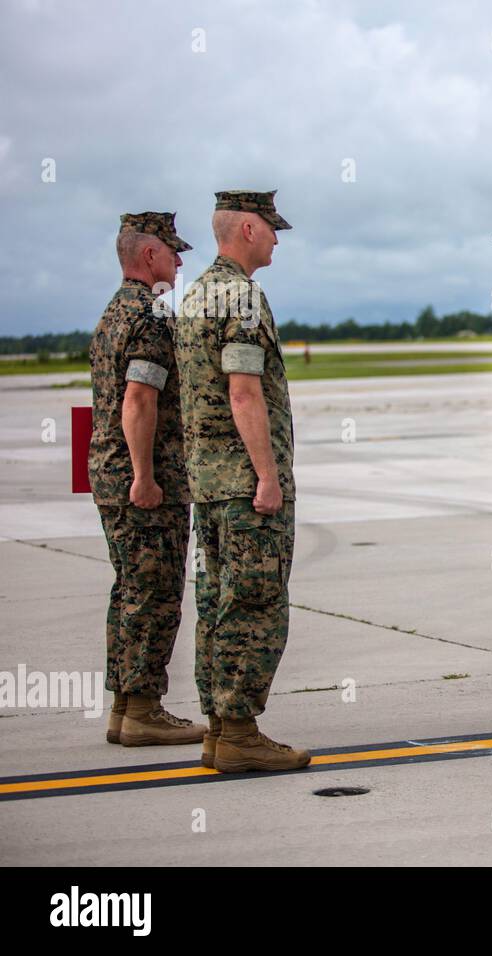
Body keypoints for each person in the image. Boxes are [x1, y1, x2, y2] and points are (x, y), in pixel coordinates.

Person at [176, 189, 309, 770]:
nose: (278, 238)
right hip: (243, 486)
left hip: (207, 484)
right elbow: (243, 390)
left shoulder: (195, 294)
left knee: (217, 603)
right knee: (254, 604)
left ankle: (217, 728)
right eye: (272, 228)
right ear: (248, 229)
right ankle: (238, 733)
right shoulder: (241, 298)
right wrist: (268, 476)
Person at [90, 211, 204, 747]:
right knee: (154, 593)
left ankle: (123, 705)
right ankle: (143, 709)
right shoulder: (152, 318)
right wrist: (144, 477)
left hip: (107, 473)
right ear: (148, 255)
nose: (180, 262)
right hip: (143, 481)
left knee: (129, 591)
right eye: (173, 252)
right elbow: (139, 398)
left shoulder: (113, 313)